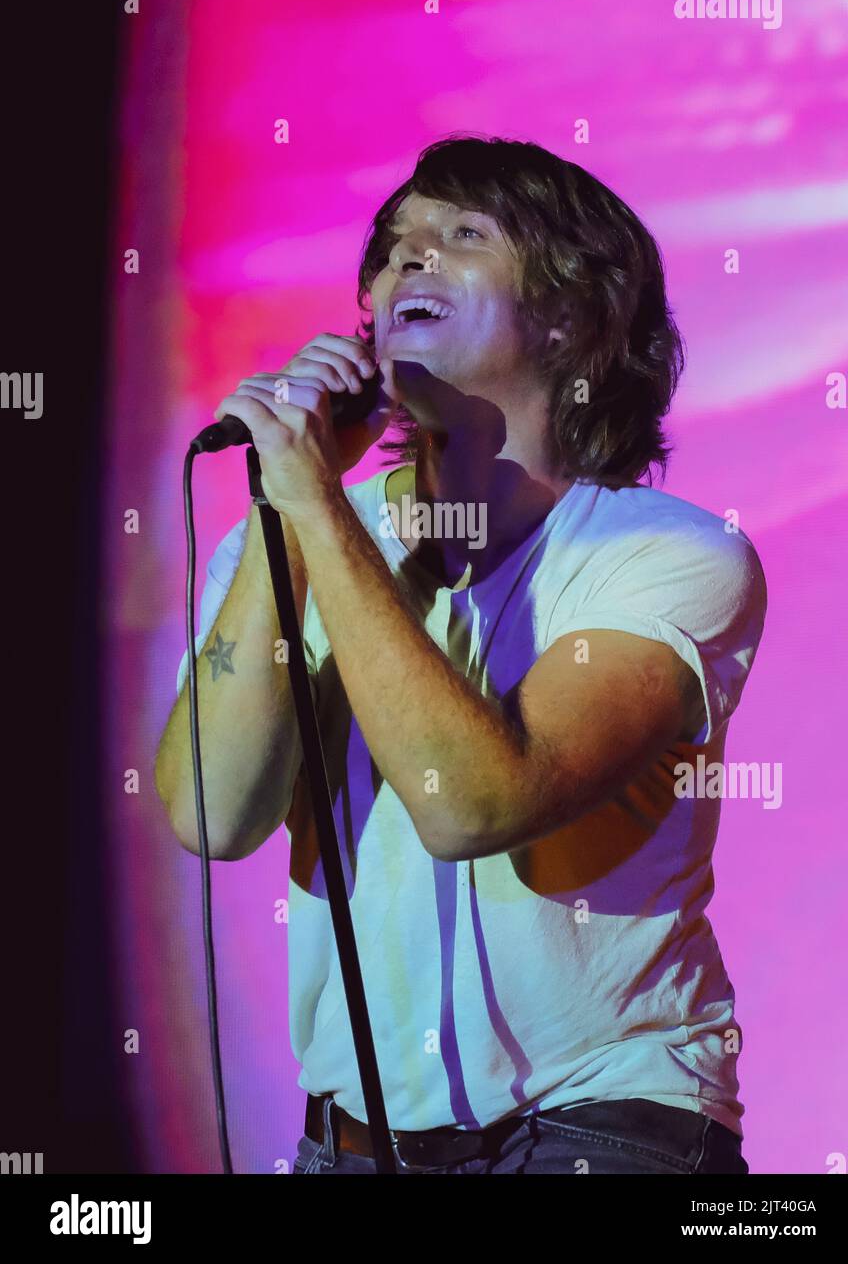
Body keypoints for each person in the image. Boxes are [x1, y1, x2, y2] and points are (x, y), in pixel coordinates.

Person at [154, 134, 767, 1175]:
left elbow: (475, 803)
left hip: (600, 1133)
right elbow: (212, 812)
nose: (408, 262)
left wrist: (311, 506)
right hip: (350, 1146)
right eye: (394, 247)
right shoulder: (290, 535)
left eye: (459, 237)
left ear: (568, 313)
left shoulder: (668, 552)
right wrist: (285, 514)